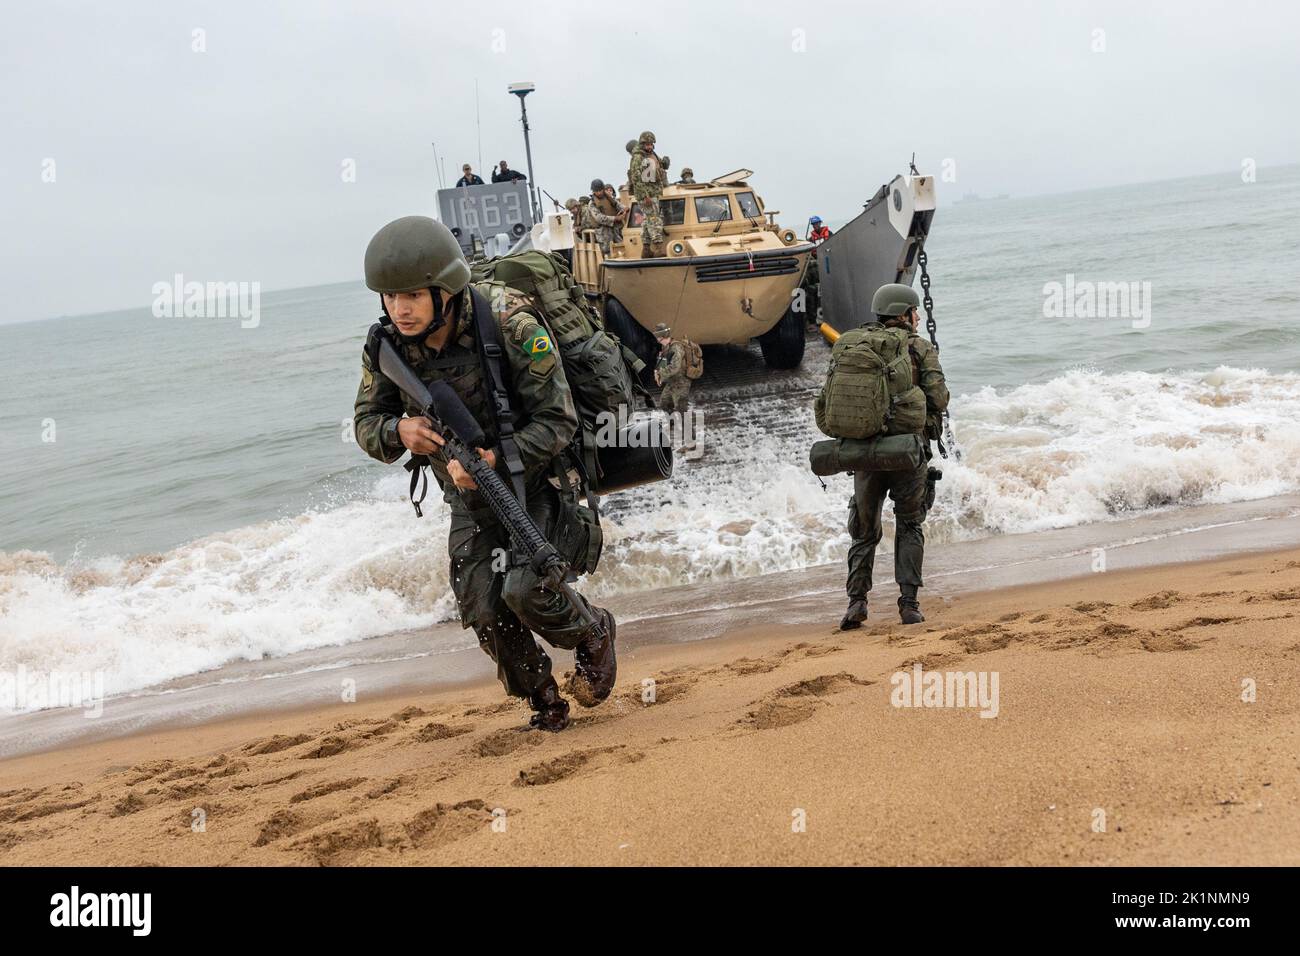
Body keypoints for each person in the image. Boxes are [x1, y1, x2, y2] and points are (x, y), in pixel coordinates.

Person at [353, 216, 617, 732]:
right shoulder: (387, 346)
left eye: (410, 296)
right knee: (482, 606)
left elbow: (558, 421)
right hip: (468, 498)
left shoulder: (511, 324)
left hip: (537, 481)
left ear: (443, 292)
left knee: (527, 588)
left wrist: (499, 458)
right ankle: (543, 697)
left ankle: (593, 631)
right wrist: (398, 431)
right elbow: (365, 421)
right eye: (389, 297)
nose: (398, 309)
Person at [840, 283, 949, 629]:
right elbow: (939, 398)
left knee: (864, 531)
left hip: (865, 453)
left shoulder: (855, 345)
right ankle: (909, 605)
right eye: (915, 311)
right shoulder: (919, 348)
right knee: (910, 523)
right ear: (904, 313)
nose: (917, 317)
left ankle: (856, 604)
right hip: (907, 451)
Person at [629, 130, 670, 258]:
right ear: (642, 144)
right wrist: (645, 195)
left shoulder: (652, 155)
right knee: (654, 220)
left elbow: (659, 167)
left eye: (651, 144)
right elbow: (636, 178)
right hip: (646, 194)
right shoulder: (638, 157)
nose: (650, 147)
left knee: (647, 221)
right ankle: (658, 249)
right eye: (647, 144)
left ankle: (646, 250)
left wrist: (665, 162)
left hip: (653, 192)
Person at [652, 322, 695, 424]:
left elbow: (675, 367)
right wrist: (658, 373)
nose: (656, 338)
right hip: (672, 380)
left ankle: (689, 433)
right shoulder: (666, 347)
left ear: (661, 337)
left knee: (681, 408)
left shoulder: (676, 348)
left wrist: (661, 374)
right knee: (664, 403)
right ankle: (672, 422)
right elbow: (663, 362)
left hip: (681, 381)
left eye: (657, 336)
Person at [587, 178, 626, 254]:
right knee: (607, 252)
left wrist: (624, 208)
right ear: (593, 191)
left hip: (615, 229)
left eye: (600, 190)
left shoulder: (608, 197)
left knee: (622, 247)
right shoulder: (592, 204)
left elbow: (616, 204)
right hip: (603, 232)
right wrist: (615, 218)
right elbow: (599, 218)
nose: (599, 192)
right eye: (596, 191)